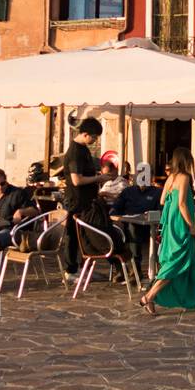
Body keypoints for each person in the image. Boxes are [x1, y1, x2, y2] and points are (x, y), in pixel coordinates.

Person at [139, 148, 195, 314]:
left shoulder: (171, 177)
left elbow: (163, 200)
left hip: (171, 225)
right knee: (177, 263)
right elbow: (182, 204)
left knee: (189, 263)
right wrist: (191, 225)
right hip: (180, 226)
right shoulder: (184, 177)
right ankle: (149, 296)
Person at [60, 118, 116, 282]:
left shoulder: (83, 149)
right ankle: (71, 270)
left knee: (85, 237)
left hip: (87, 200)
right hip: (78, 202)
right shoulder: (75, 152)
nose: (95, 140)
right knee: (74, 235)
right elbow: (77, 180)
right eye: (94, 137)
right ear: (85, 135)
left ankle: (83, 268)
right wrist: (99, 178)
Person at [111, 175, 161, 275]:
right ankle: (133, 268)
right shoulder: (127, 192)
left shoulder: (157, 192)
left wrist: (153, 214)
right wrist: (115, 216)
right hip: (129, 225)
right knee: (129, 228)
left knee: (133, 229)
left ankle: (136, 268)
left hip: (150, 226)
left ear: (151, 178)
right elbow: (115, 208)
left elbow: (161, 210)